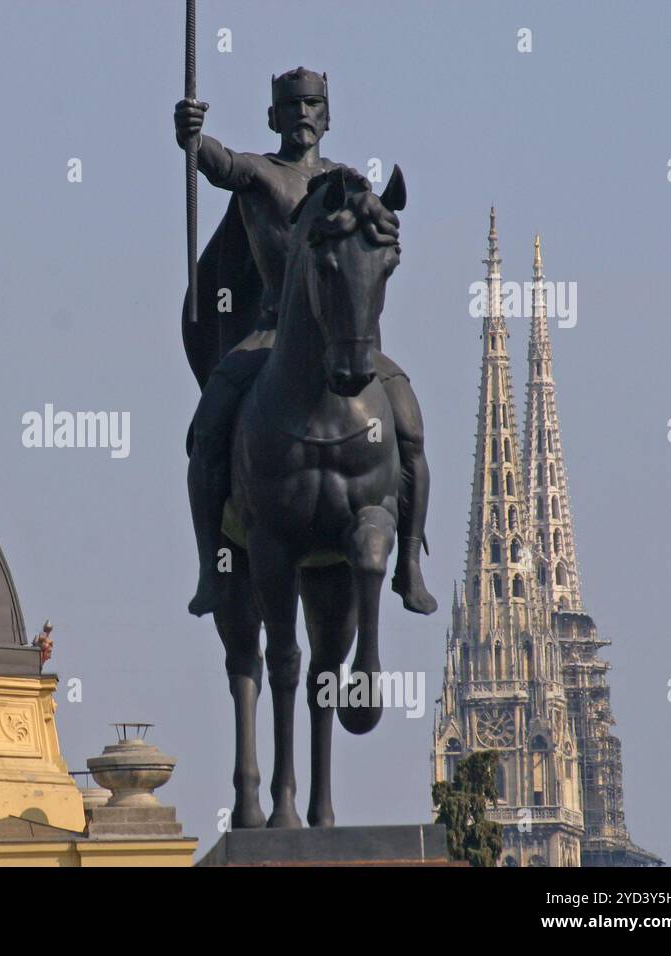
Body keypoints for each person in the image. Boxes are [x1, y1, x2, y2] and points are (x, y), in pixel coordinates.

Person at [177, 67, 436, 618]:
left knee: (408, 422)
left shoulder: (348, 183)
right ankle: (209, 568)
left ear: (328, 116)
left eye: (312, 104)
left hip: (344, 338)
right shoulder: (259, 175)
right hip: (269, 332)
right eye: (291, 106)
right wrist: (194, 137)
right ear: (273, 117)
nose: (302, 114)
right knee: (211, 422)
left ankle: (409, 565)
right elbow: (220, 165)